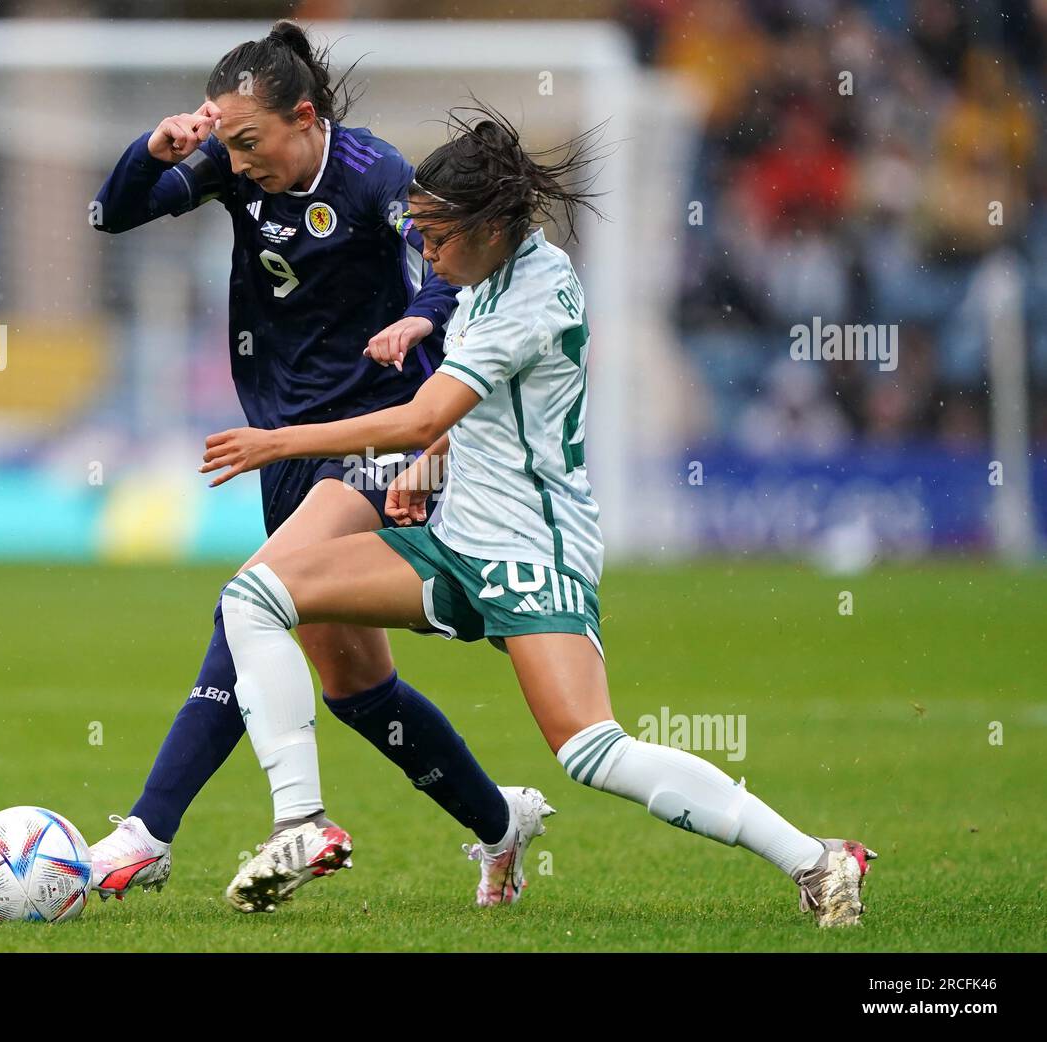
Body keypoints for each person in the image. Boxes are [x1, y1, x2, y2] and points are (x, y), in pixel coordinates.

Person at [201, 105, 878, 926]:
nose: (426, 253)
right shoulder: (491, 276)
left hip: (531, 550)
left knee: (591, 750)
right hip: (454, 545)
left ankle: (818, 859)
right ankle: (302, 823)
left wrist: (281, 443)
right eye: (417, 233)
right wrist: (432, 464)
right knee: (255, 595)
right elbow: (481, 417)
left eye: (437, 237)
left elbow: (420, 413)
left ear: (490, 228)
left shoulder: (533, 296)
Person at [89, 22, 549, 909]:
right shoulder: (231, 164)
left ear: (305, 118)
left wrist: (422, 317)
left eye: (249, 140)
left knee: (246, 601)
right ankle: (501, 824)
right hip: (286, 446)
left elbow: (448, 262)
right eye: (223, 142)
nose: (236, 158)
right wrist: (153, 150)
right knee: (357, 688)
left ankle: (155, 831)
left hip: (376, 440)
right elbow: (115, 211)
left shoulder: (375, 175)